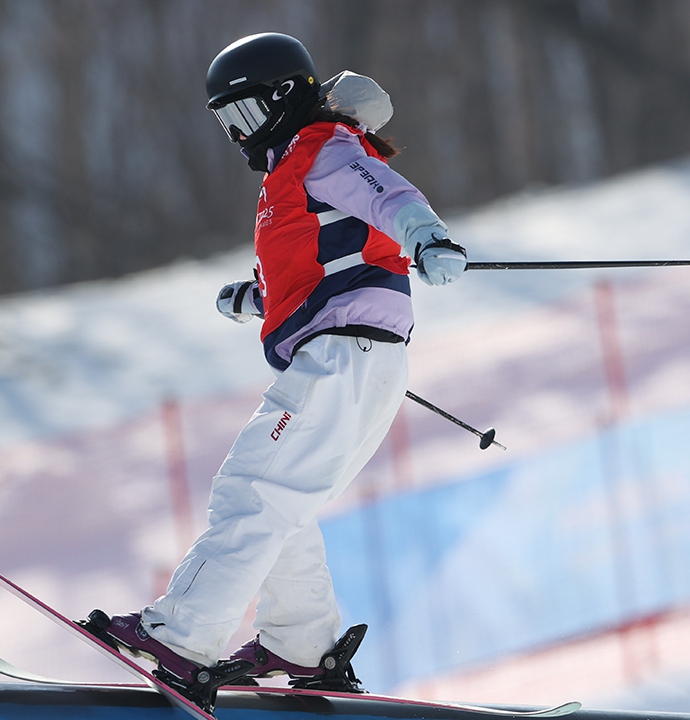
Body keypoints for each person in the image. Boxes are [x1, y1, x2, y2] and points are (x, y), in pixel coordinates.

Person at [83, 32, 467, 704]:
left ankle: (183, 634)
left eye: (246, 116)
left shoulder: (323, 147)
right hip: (355, 357)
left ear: (285, 98)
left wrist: (427, 236)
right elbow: (320, 265)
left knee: (252, 490)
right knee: (282, 502)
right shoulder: (291, 171)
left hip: (342, 357)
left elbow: (386, 193)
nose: (239, 136)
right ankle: (303, 646)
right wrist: (257, 298)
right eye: (227, 122)